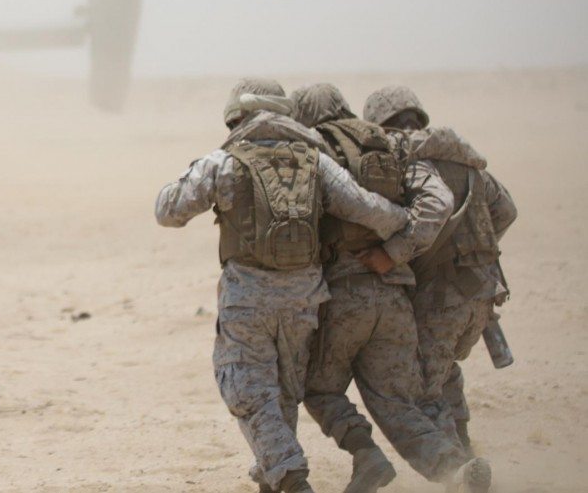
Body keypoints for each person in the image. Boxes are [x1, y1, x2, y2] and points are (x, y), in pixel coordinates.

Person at [154, 79, 410, 493]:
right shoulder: (314, 159)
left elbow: (167, 210)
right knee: (286, 391)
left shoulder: (225, 160)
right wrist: (406, 227)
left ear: (237, 116)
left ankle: (290, 478)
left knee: (246, 388)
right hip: (305, 297)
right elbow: (367, 209)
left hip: (248, 298)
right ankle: (274, 479)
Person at [291, 83, 479, 492]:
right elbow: (437, 203)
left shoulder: (313, 154)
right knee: (397, 400)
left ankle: (366, 456)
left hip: (344, 297)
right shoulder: (385, 146)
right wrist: (395, 252)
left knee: (318, 389)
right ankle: (457, 469)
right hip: (394, 296)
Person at [363, 86, 518, 492]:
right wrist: (474, 249)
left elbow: (436, 207)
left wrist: (396, 252)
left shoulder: (410, 160)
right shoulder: (465, 161)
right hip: (483, 292)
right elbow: (506, 209)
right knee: (446, 371)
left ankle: (458, 469)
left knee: (422, 388)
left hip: (441, 296)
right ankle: (466, 446)